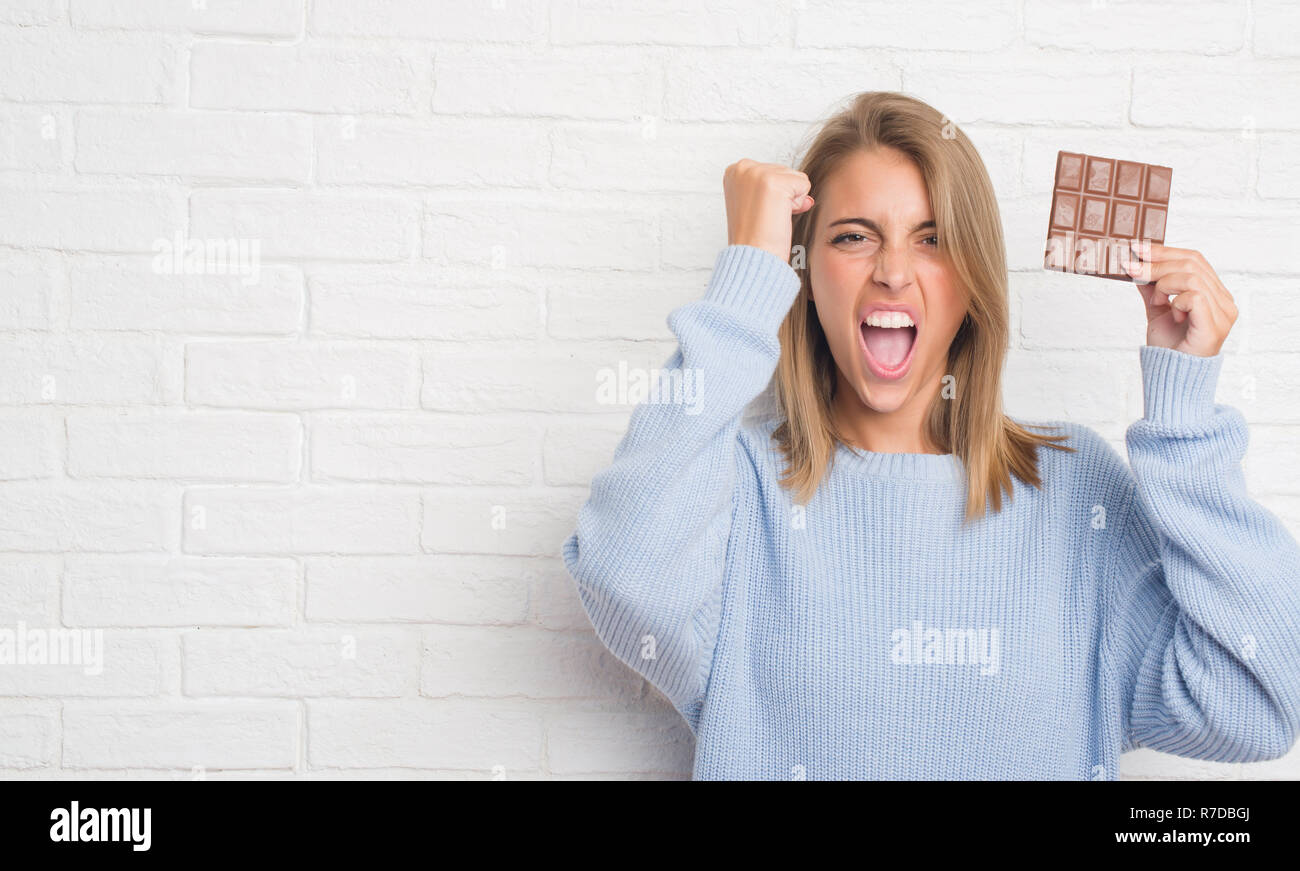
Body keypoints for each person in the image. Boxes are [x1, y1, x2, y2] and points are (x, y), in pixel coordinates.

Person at [560, 90, 1300, 780]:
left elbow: (1260, 699)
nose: (891, 272)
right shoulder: (736, 488)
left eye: (932, 238)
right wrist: (744, 286)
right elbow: (623, 577)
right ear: (805, 272)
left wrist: (1183, 422)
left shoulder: (1072, 490)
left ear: (973, 280)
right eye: (853, 237)